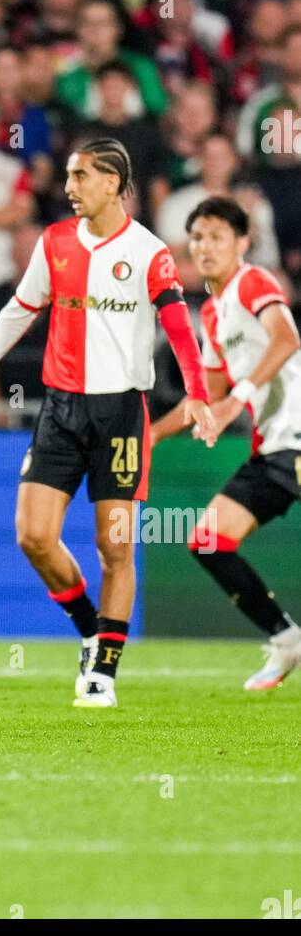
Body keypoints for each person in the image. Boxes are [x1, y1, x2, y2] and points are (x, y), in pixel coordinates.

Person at [0, 138, 216, 708]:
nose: (68, 187)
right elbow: (16, 313)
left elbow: (179, 328)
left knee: (116, 549)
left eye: (80, 176)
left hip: (121, 415)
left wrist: (199, 394)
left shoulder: (149, 251)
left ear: (112, 182)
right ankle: (90, 627)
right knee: (33, 535)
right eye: (69, 176)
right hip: (61, 410)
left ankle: (103, 671)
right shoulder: (55, 242)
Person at [150, 196, 301, 691]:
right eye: (197, 237)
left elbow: (287, 340)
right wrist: (151, 435)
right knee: (209, 541)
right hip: (273, 449)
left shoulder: (254, 282)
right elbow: (206, 396)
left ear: (242, 243)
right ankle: (285, 639)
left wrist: (240, 399)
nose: (205, 246)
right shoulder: (212, 314)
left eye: (217, 236)